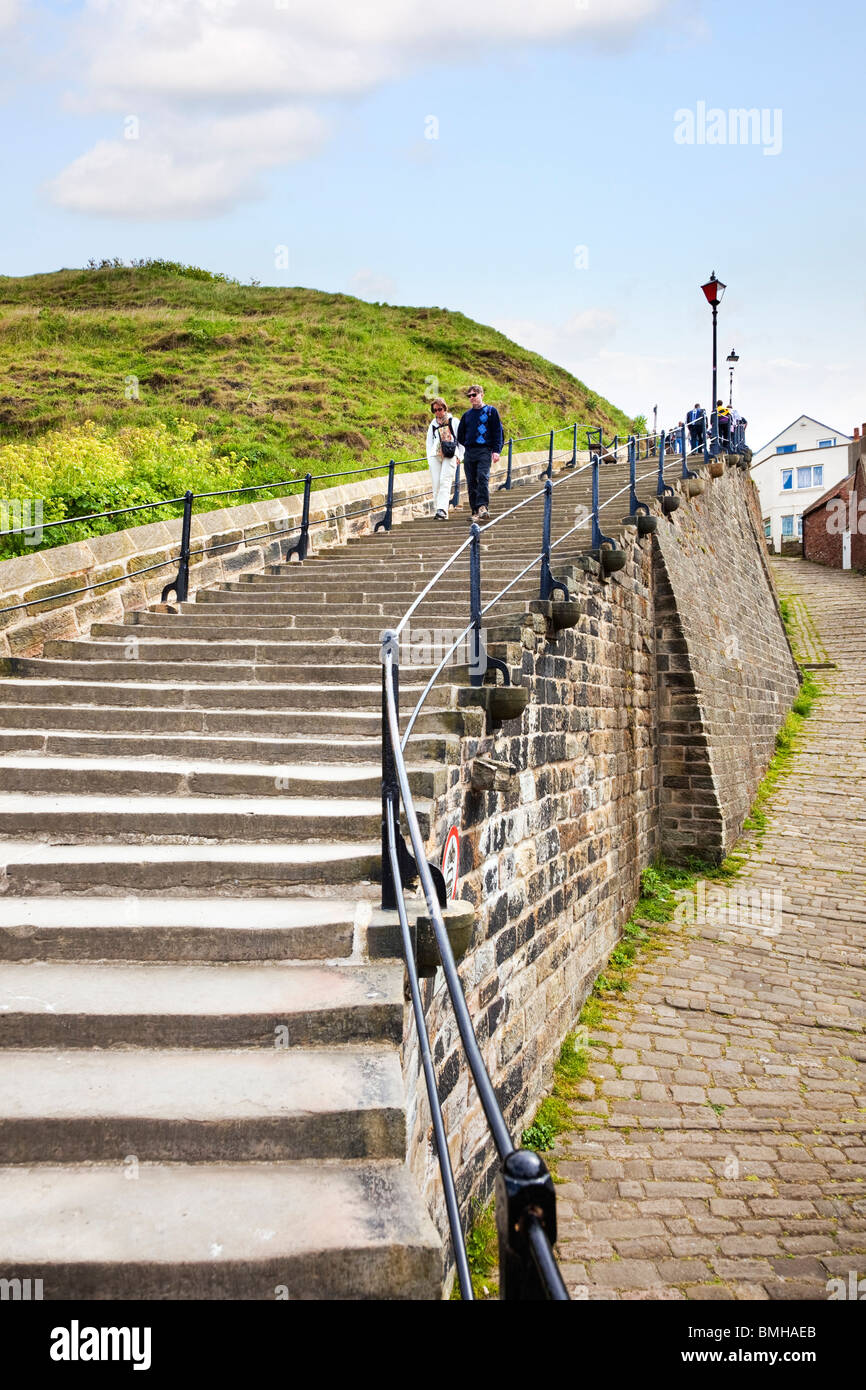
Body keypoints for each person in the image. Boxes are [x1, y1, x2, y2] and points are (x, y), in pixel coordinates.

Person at [456, 384, 504, 522]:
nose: (471, 398)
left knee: (482, 477)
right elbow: (460, 434)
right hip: (470, 451)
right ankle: (475, 511)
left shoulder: (491, 411)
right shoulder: (467, 415)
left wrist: (496, 450)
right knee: (471, 482)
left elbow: (497, 432)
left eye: (474, 395)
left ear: (481, 395)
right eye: (469, 396)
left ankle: (483, 506)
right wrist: (468, 443)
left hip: (484, 450)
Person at [425, 397, 464, 520]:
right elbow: (429, 442)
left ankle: (442, 509)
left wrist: (460, 456)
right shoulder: (433, 424)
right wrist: (429, 458)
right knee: (436, 483)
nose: (437, 412)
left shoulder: (454, 421)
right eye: (435, 410)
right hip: (435, 455)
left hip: (451, 453)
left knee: (444, 480)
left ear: (445, 408)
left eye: (439, 409)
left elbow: (462, 440)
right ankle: (439, 510)